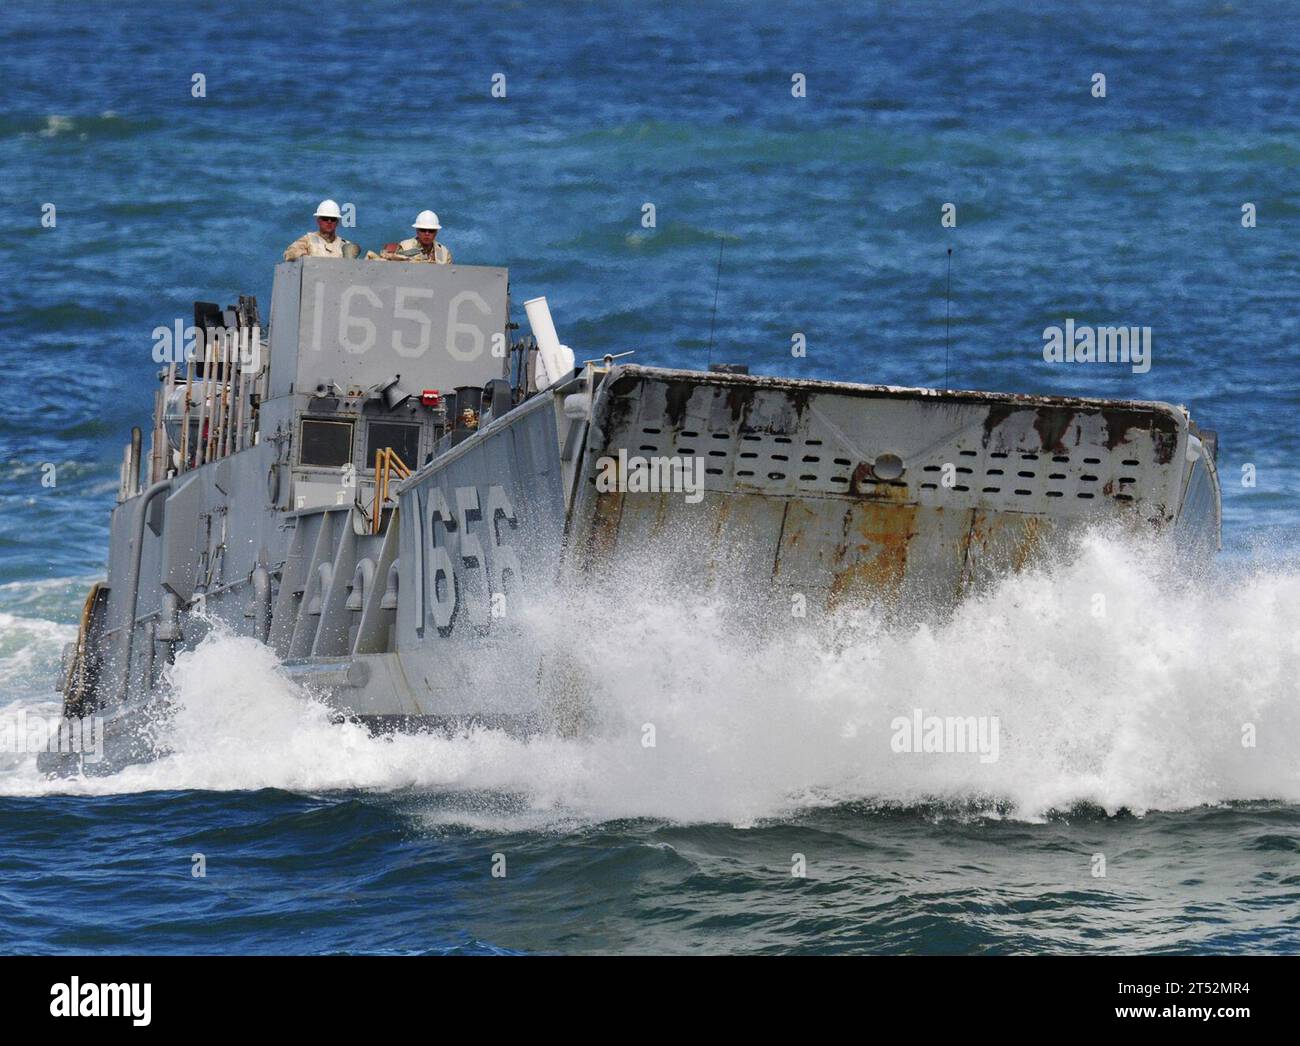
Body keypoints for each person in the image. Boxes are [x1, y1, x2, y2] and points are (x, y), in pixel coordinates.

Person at [283, 199, 358, 260]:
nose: (329, 222)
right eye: (325, 218)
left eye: (333, 219)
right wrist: (303, 256)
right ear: (318, 221)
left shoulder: (346, 246)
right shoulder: (307, 240)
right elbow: (289, 253)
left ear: (337, 222)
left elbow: (354, 269)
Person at [371, 210, 452, 263]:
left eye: (431, 230)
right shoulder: (405, 247)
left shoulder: (444, 253)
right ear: (417, 230)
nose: (427, 233)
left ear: (436, 232)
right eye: (423, 230)